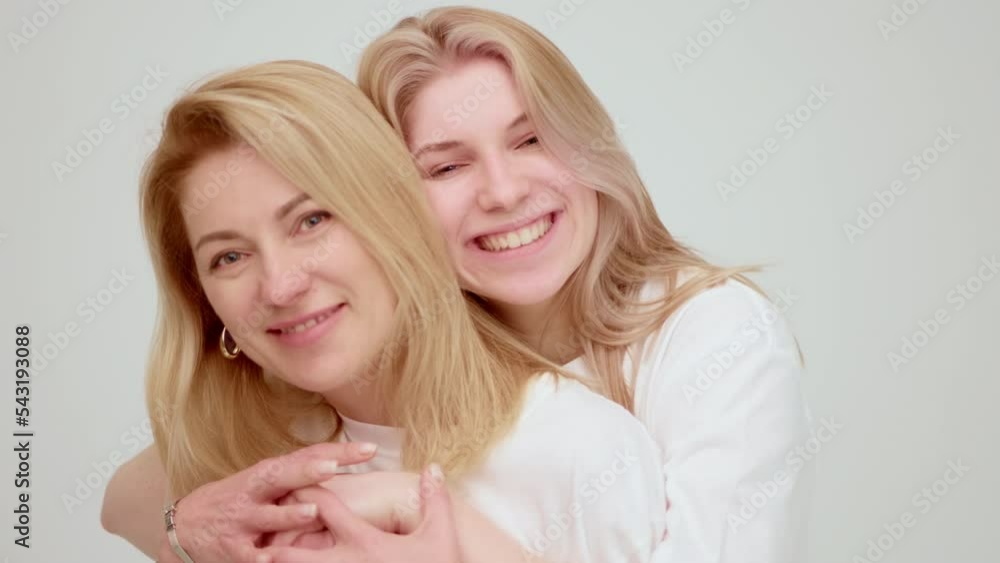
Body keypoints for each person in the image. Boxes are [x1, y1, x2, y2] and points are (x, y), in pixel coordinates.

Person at [106, 5, 813, 562]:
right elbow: (130, 493)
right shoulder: (337, 367)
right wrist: (184, 523)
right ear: (395, 201)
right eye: (445, 167)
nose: (503, 192)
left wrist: (428, 518)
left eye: (531, 137)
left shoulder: (709, 339)